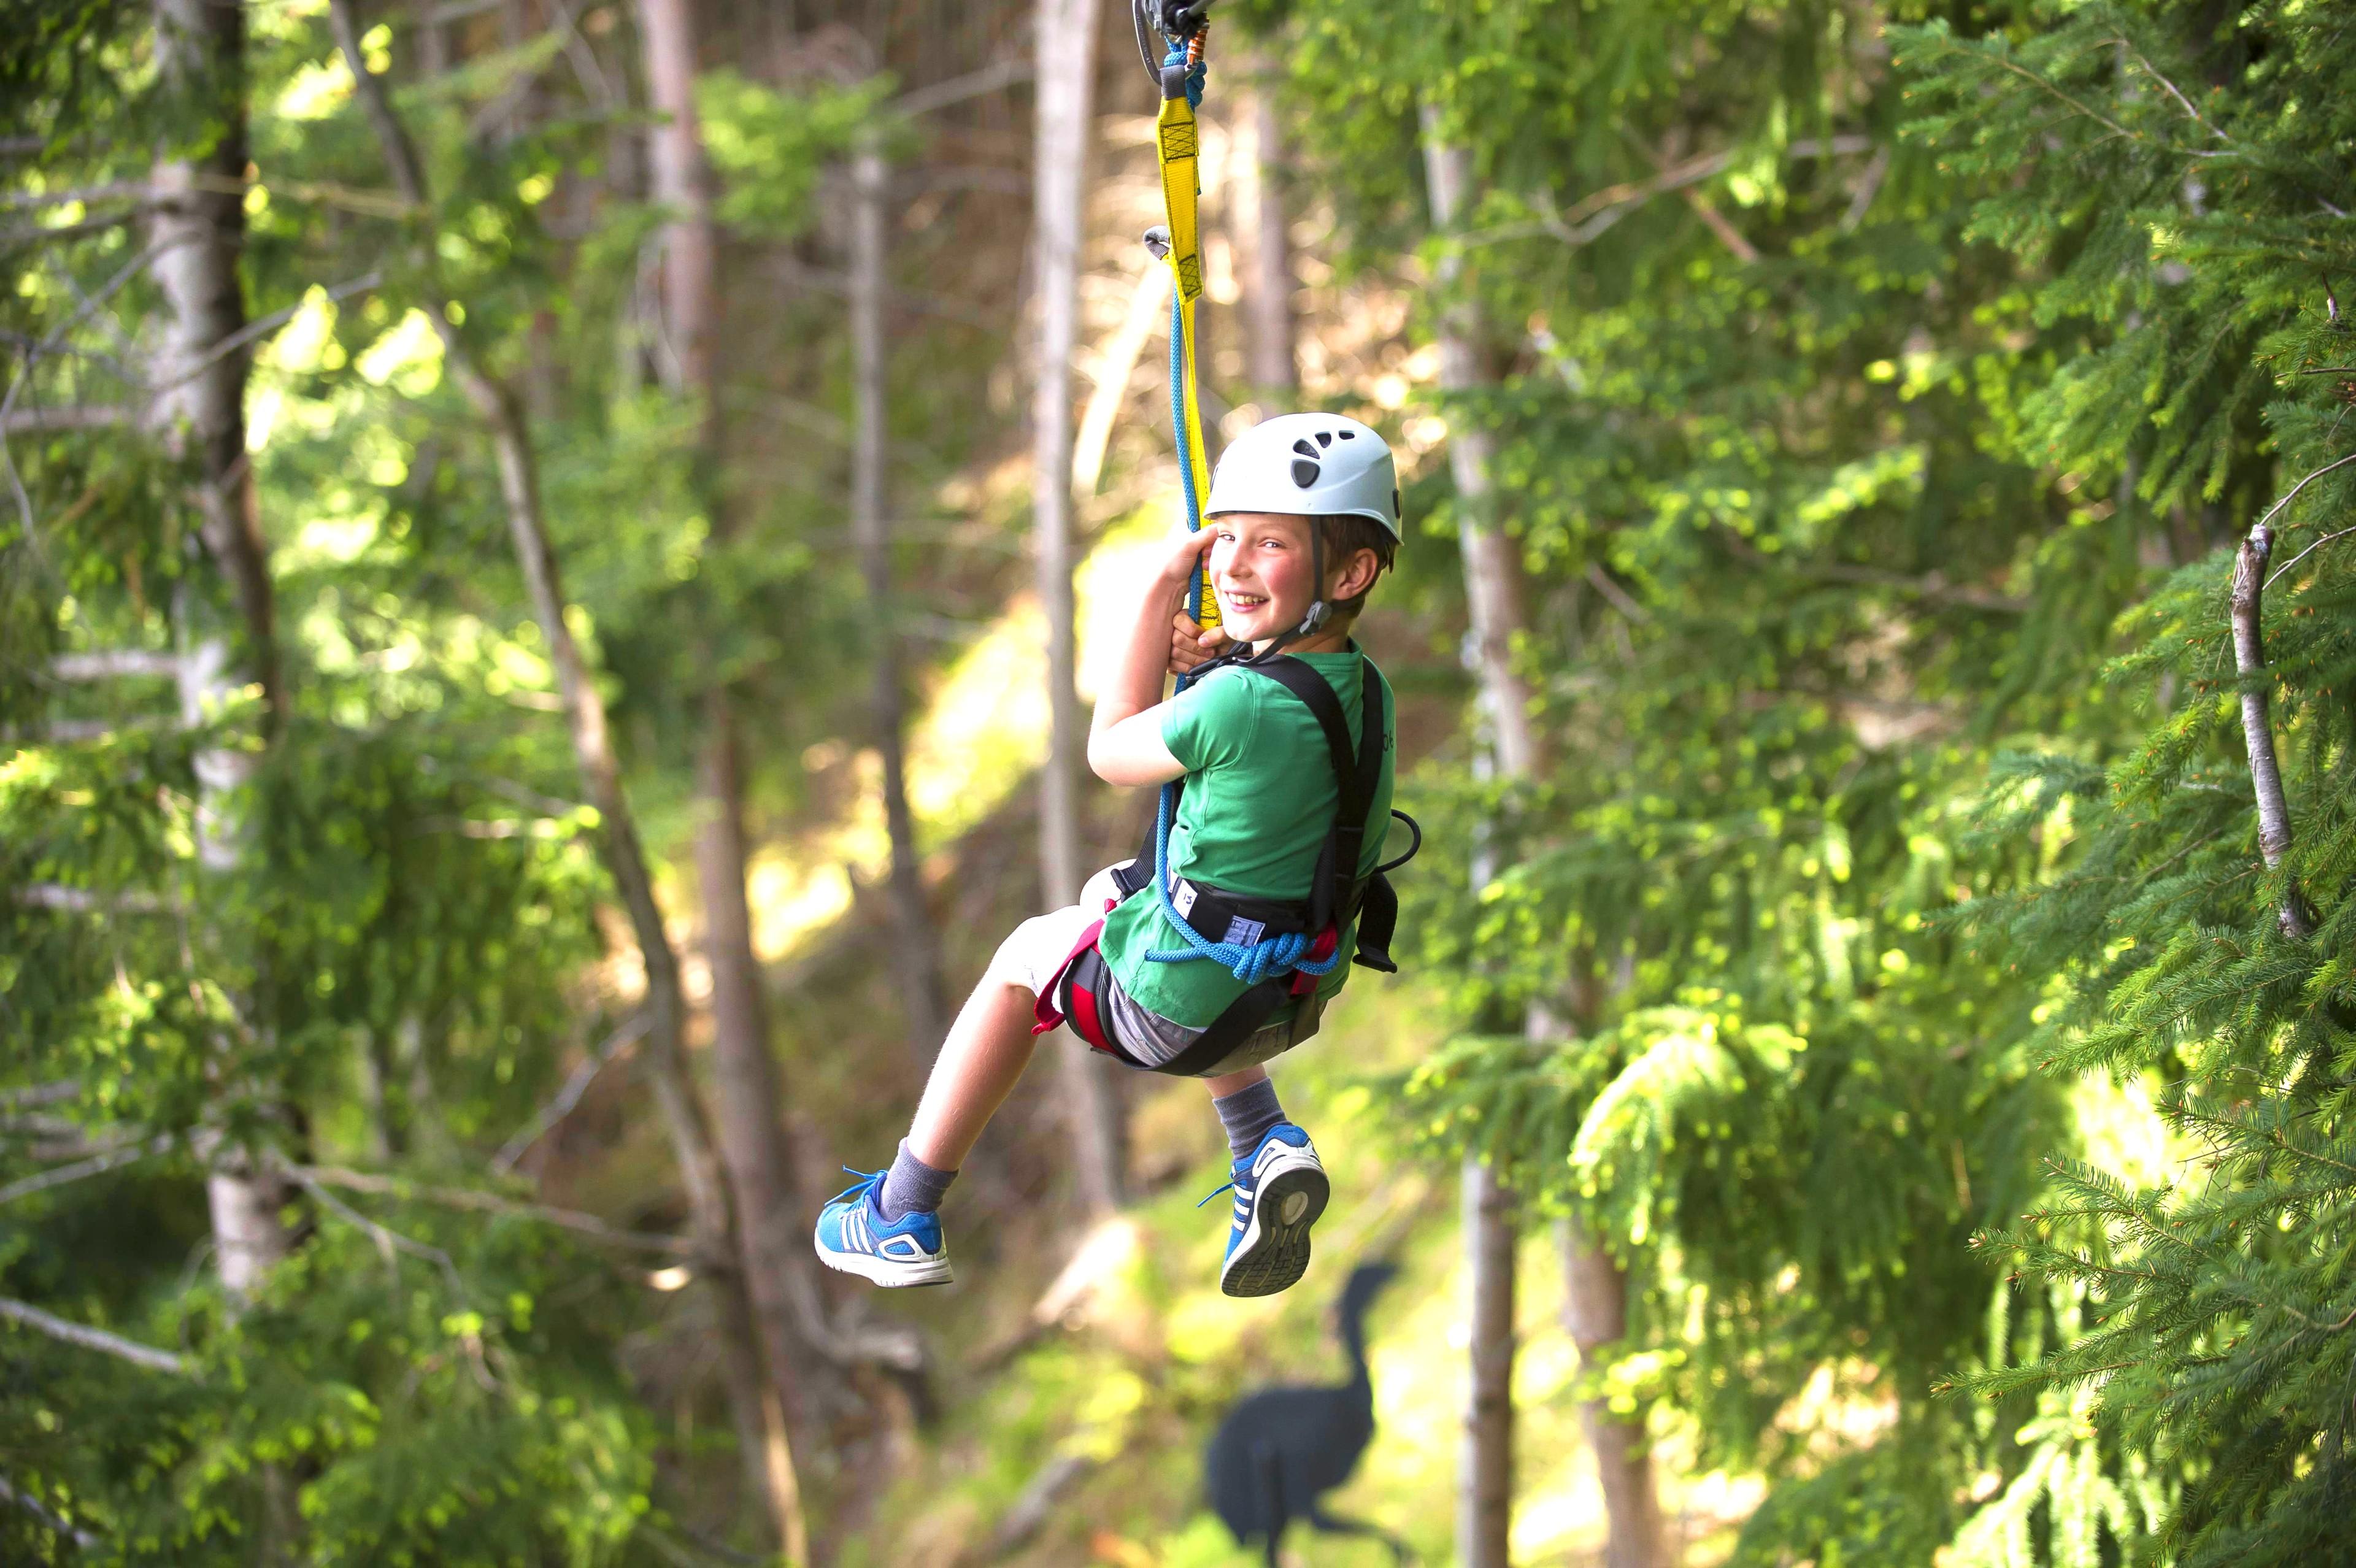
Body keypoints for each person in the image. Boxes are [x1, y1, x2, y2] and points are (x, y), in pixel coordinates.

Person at [814, 413, 1403, 1298]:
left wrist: (1160, 594)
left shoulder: (1237, 703)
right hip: (1294, 991)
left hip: (1186, 1011)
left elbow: (1113, 750)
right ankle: (1260, 1139)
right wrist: (1211, 666)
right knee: (1108, 894)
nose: (1235, 563)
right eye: (1227, 539)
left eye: (1270, 544)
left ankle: (904, 1208)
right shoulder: (1362, 689)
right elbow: (1257, 751)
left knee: (1020, 962)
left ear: (1350, 571)